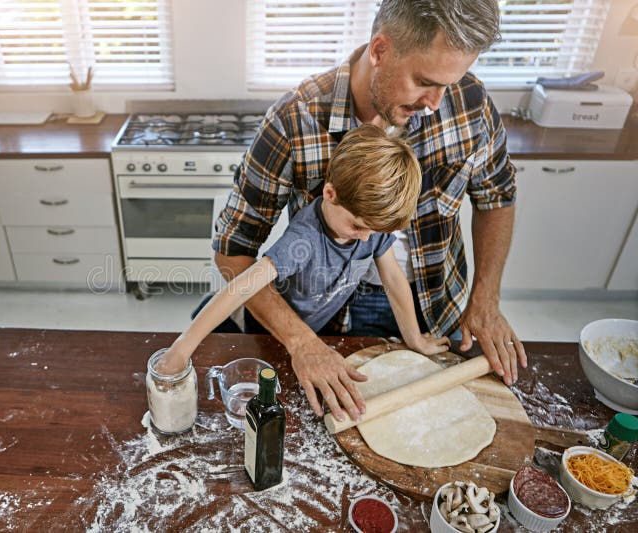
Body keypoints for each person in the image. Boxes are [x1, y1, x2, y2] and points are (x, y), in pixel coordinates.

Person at [213, 0, 528, 424]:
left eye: (449, 84)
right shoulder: (296, 120)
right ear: (380, 50)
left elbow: (497, 197)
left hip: (434, 306)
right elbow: (233, 253)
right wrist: (301, 342)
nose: (436, 102)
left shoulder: (470, 104)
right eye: (424, 82)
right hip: (324, 317)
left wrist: (486, 297)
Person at [158, 125, 449, 376]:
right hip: (259, 333)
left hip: (311, 332)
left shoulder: (368, 226)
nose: (365, 239)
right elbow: (241, 287)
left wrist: (414, 339)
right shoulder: (305, 240)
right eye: (358, 227)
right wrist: (182, 348)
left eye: (374, 231)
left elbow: (394, 280)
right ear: (330, 194)